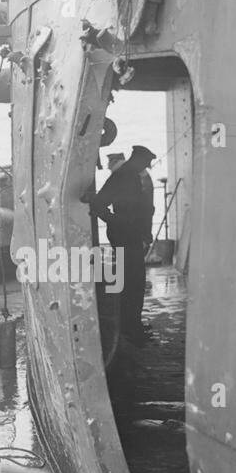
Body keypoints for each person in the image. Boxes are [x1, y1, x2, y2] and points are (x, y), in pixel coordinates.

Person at [89, 144, 156, 344]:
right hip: (124, 238)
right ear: (138, 160)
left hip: (133, 236)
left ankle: (133, 325)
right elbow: (98, 204)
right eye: (146, 162)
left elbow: (141, 209)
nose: (147, 166)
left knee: (136, 284)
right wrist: (117, 221)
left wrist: (144, 231)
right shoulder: (121, 177)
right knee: (130, 285)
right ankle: (129, 329)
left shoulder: (133, 176)